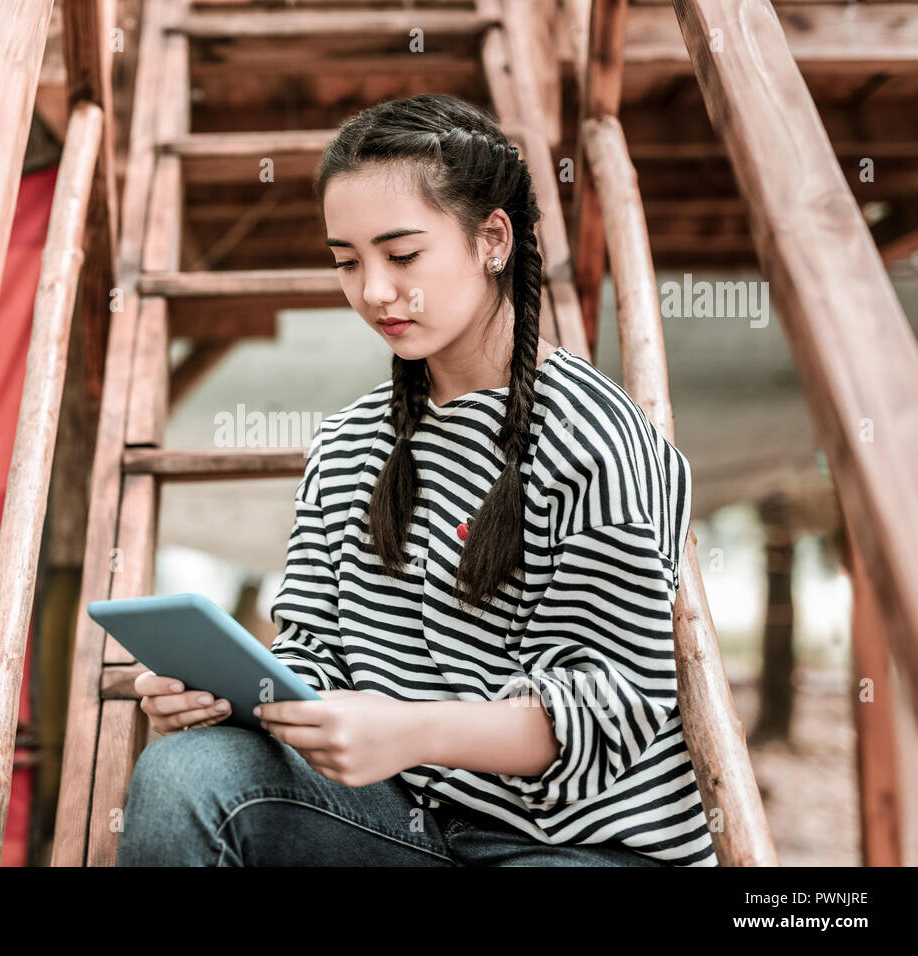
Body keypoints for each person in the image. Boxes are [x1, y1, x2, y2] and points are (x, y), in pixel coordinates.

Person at [115, 94, 717, 867]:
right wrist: (231, 700)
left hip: (583, 846)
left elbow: (614, 707)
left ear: (492, 239)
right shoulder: (346, 446)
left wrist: (409, 728)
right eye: (346, 261)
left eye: (401, 256)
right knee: (185, 773)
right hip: (406, 824)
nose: (372, 291)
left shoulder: (595, 437)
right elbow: (314, 655)